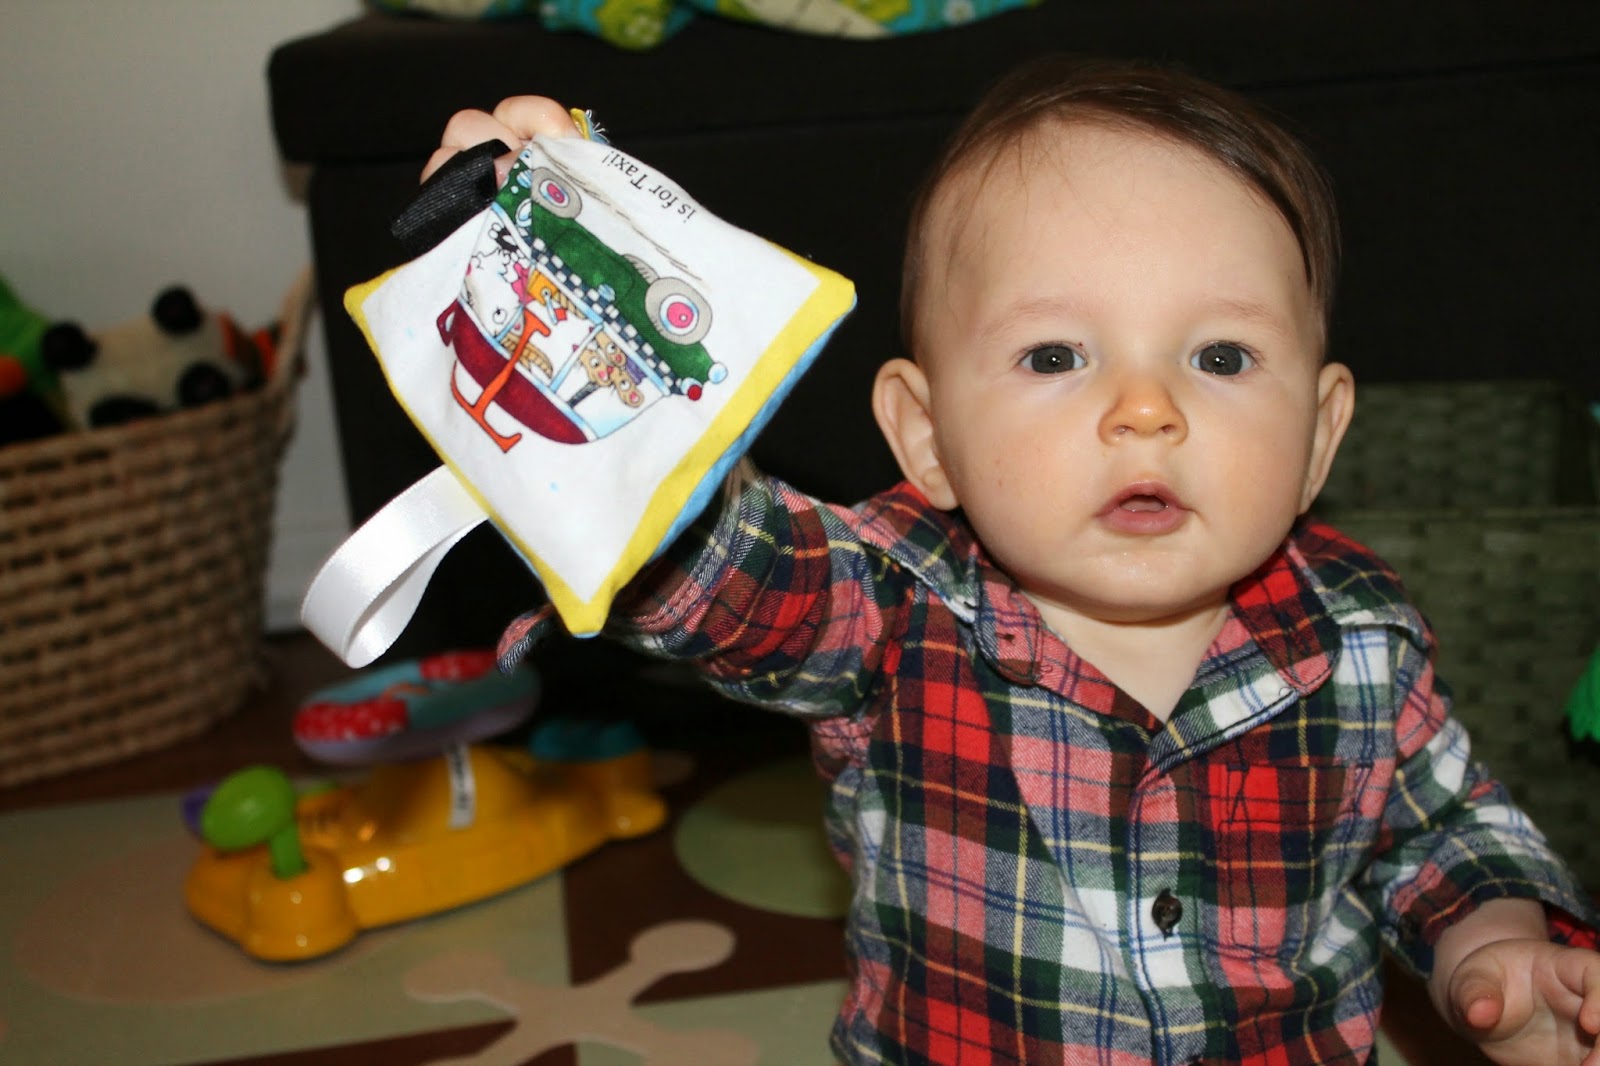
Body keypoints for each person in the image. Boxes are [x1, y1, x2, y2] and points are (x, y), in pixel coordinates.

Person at [426, 57, 1600, 1065]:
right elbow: (721, 571)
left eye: (1223, 357)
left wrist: (1492, 951)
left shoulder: (1360, 636)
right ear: (928, 438)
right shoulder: (888, 600)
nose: (1145, 408)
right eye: (1054, 354)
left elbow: (1444, 830)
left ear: (1319, 437)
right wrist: (570, 317)